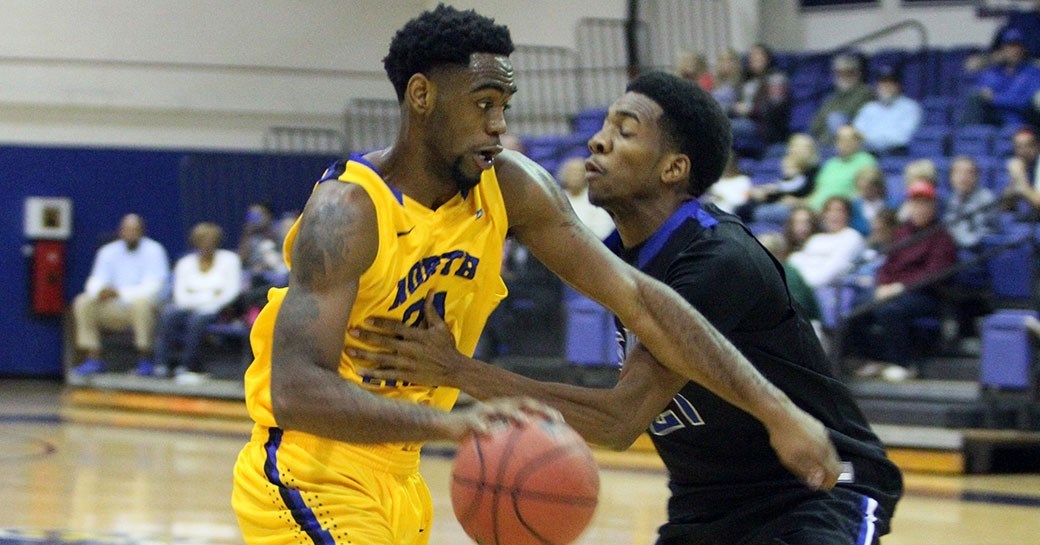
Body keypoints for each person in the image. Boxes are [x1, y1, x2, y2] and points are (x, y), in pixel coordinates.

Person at [230, 7, 841, 545]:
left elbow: (643, 303)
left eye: (504, 108)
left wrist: (778, 410)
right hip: (305, 472)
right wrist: (452, 423)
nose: (499, 126)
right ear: (421, 96)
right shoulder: (349, 210)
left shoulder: (511, 188)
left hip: (400, 478)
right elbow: (296, 390)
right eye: (483, 105)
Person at [355, 71, 901, 545]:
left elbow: (619, 420)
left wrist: (458, 371)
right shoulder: (620, 260)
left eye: (624, 132)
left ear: (673, 169)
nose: (597, 142)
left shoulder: (717, 259)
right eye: (604, 126)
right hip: (706, 507)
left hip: (815, 492)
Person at [848, 180, 957, 381]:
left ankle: (902, 363)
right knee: (857, 306)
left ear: (933, 207)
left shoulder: (942, 237)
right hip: (892, 290)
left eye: (924, 203)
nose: (919, 208)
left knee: (889, 311)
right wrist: (882, 285)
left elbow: (933, 273)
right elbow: (887, 264)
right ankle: (874, 358)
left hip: (925, 295)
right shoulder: (902, 233)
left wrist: (900, 287)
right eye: (915, 203)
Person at [71, 214, 170, 376]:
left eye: (135, 230)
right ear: (121, 232)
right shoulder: (108, 252)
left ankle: (145, 360)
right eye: (127, 230)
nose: (131, 233)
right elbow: (95, 280)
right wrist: (99, 291)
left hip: (144, 308)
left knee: (142, 303)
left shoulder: (154, 250)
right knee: (83, 301)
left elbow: (154, 287)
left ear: (142, 232)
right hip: (114, 308)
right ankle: (93, 359)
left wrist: (119, 292)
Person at [152, 222, 242, 381]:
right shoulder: (184, 263)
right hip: (188, 306)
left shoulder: (230, 260)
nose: (206, 243)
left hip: (218, 309)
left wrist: (203, 298)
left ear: (217, 241)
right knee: (168, 315)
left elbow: (231, 291)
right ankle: (162, 364)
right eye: (202, 239)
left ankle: (188, 366)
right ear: (195, 241)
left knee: (198, 320)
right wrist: (209, 295)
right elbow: (180, 295)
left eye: (210, 239)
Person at [962, 28, 1040, 127]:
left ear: (1023, 48)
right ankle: (965, 136)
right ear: (1003, 49)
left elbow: (1024, 102)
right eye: (1009, 46)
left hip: (1018, 122)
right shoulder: (992, 72)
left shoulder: (1033, 73)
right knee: (973, 98)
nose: (1013, 51)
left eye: (1017, 46)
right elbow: (980, 93)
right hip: (991, 120)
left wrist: (994, 98)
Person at [737, 133, 820, 225]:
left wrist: (798, 202)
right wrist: (765, 191)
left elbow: (804, 191)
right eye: (793, 146)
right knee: (742, 207)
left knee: (761, 212)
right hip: (776, 200)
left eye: (800, 147)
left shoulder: (814, 171)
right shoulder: (789, 167)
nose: (794, 150)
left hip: (792, 207)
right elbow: (783, 186)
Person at [788, 197, 866, 290]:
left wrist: (806, 285)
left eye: (839, 211)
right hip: (805, 289)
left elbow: (835, 269)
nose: (834, 215)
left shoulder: (852, 237)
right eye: (829, 211)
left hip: (831, 291)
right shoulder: (815, 239)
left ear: (848, 215)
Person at [851, 65, 922, 155]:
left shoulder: (910, 107)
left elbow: (904, 138)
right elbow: (856, 135)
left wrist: (872, 140)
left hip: (896, 155)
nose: (886, 86)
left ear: (898, 85)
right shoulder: (868, 108)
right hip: (868, 154)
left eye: (891, 82)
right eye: (883, 82)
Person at [810, 54, 874, 147]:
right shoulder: (832, 97)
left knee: (836, 119)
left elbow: (856, 120)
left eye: (849, 72)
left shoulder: (865, 93)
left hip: (851, 142)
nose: (844, 76)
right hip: (825, 143)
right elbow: (815, 125)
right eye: (839, 73)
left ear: (857, 74)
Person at [808, 125, 878, 211]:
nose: (844, 144)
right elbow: (816, 192)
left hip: (840, 212)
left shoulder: (865, 160)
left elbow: (863, 192)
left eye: (848, 140)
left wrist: (842, 207)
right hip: (814, 212)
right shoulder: (830, 164)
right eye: (840, 140)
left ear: (858, 142)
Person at [944, 156, 998, 250]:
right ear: (951, 177)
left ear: (977, 177)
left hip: (980, 251)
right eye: (958, 172)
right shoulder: (948, 199)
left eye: (969, 173)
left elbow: (979, 235)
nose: (963, 177)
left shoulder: (986, 199)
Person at [557, 156, 615, 240]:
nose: (575, 176)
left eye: (579, 172)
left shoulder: (598, 198)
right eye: (571, 172)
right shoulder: (556, 199)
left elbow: (603, 232)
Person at [1001, 127, 1040, 216]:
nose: (1023, 151)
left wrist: (1020, 178)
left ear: (1037, 146)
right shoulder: (1019, 166)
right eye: (1019, 147)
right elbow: (1005, 208)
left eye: (1027, 146)